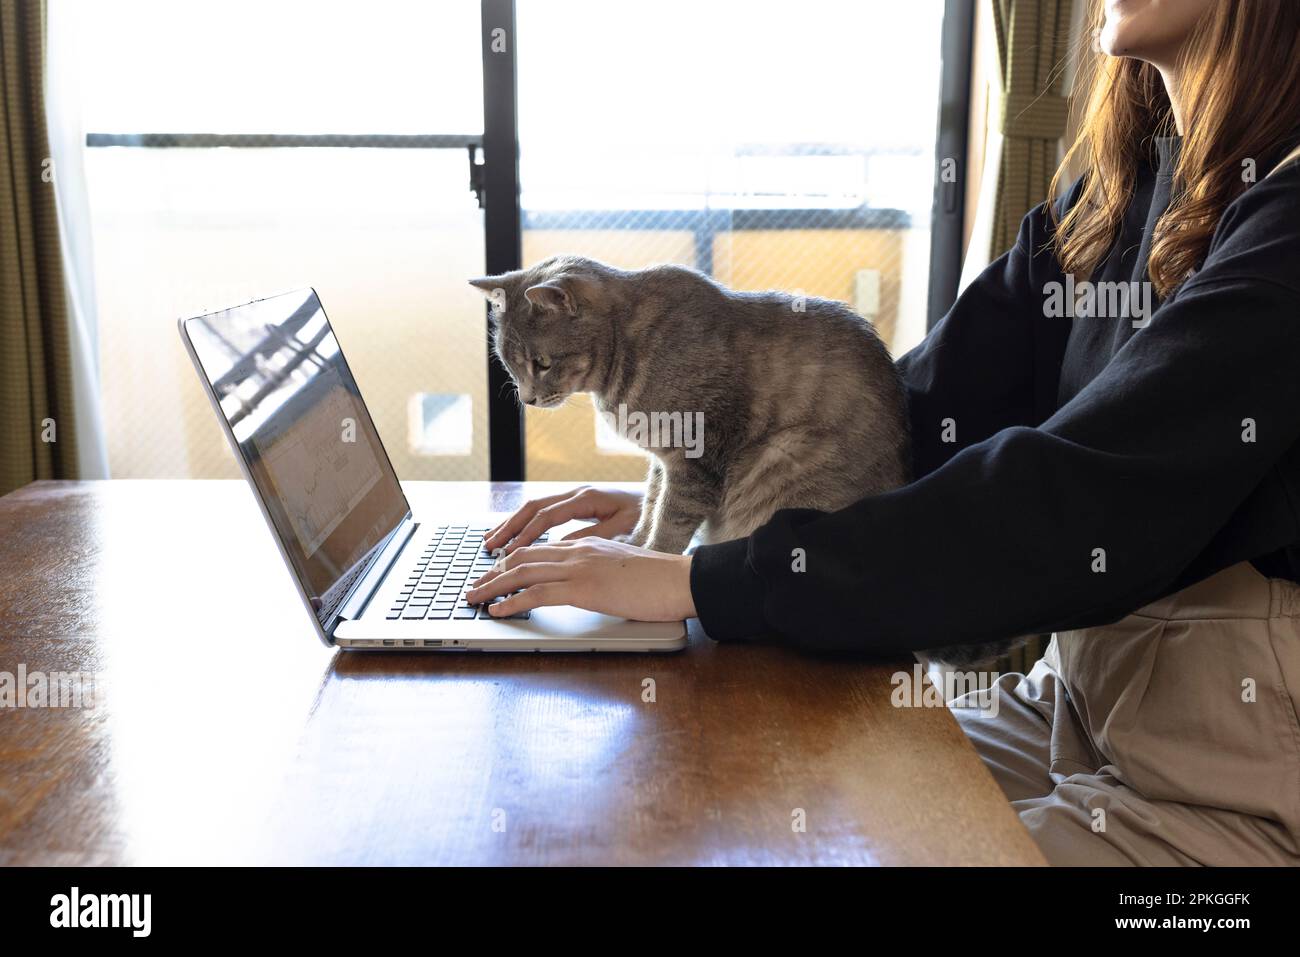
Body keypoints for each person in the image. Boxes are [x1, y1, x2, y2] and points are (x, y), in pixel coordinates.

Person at [466, 0, 1300, 865]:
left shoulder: (1287, 226)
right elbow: (912, 408)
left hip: (1231, 789)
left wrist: (702, 579)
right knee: (765, 809)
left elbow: (1073, 499)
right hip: (1075, 708)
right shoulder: (1117, 191)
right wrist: (709, 475)